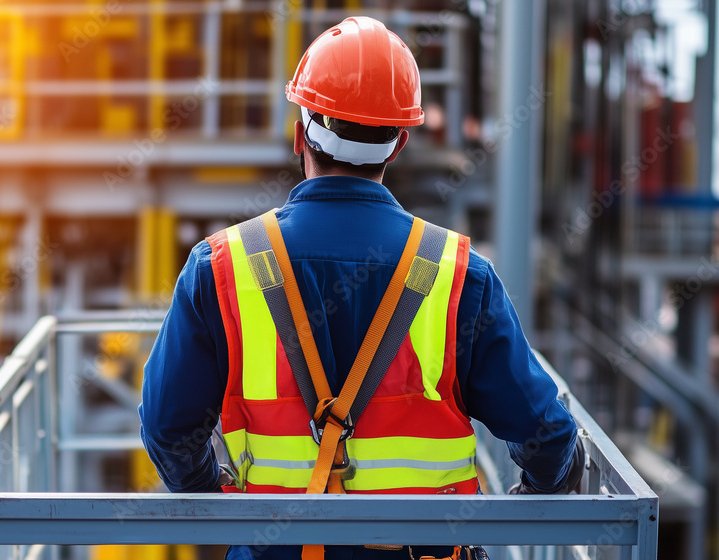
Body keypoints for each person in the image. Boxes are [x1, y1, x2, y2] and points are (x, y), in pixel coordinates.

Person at [139, 16, 585, 560]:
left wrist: (224, 506)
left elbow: (168, 429)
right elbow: (548, 435)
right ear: (398, 143)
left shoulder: (221, 268)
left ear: (299, 132)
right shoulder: (458, 273)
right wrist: (534, 495)